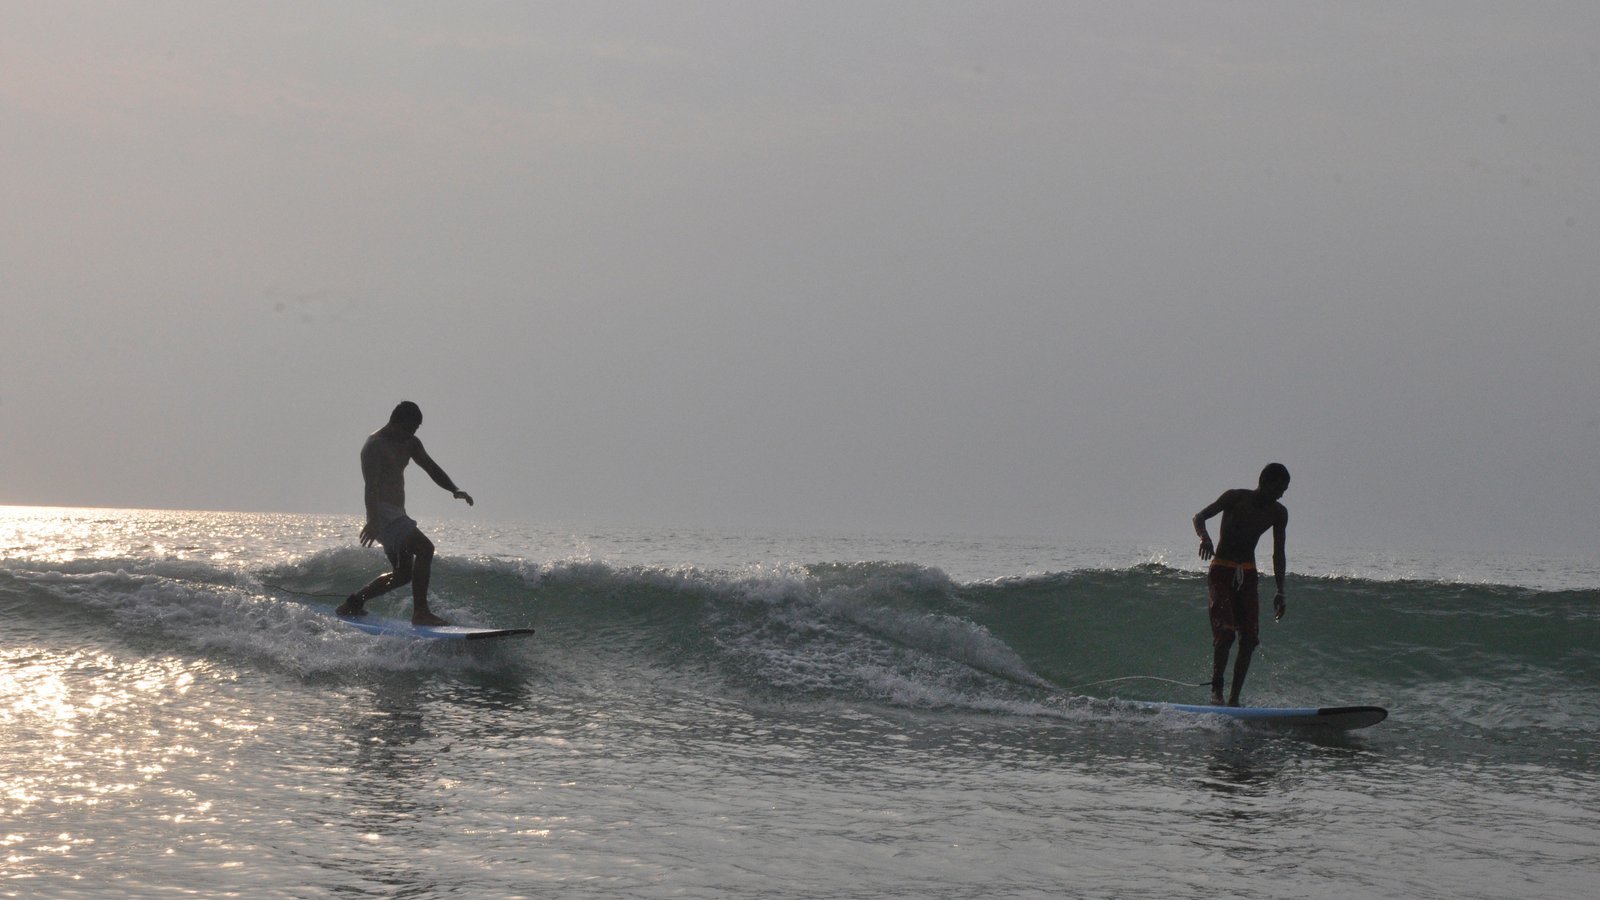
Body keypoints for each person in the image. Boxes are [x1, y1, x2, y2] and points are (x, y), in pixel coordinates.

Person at [337, 401, 474, 625]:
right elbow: (370, 487)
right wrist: (372, 521)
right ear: (395, 422)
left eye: (415, 430)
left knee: (403, 575)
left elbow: (431, 467)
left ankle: (353, 604)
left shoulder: (410, 442)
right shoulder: (375, 446)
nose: (410, 435)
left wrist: (454, 489)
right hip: (383, 514)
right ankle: (420, 612)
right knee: (425, 548)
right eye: (408, 429)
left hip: (396, 514)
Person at [1192, 463, 1290, 706]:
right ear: (1265, 482)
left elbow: (1279, 553)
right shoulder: (1235, 498)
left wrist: (1280, 590)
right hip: (1222, 570)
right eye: (1279, 488)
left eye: (1285, 490)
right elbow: (1200, 516)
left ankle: (1234, 700)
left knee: (1249, 638)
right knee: (1225, 633)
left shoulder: (1278, 513)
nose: (1281, 494)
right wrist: (1204, 537)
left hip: (1248, 573)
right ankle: (1217, 692)